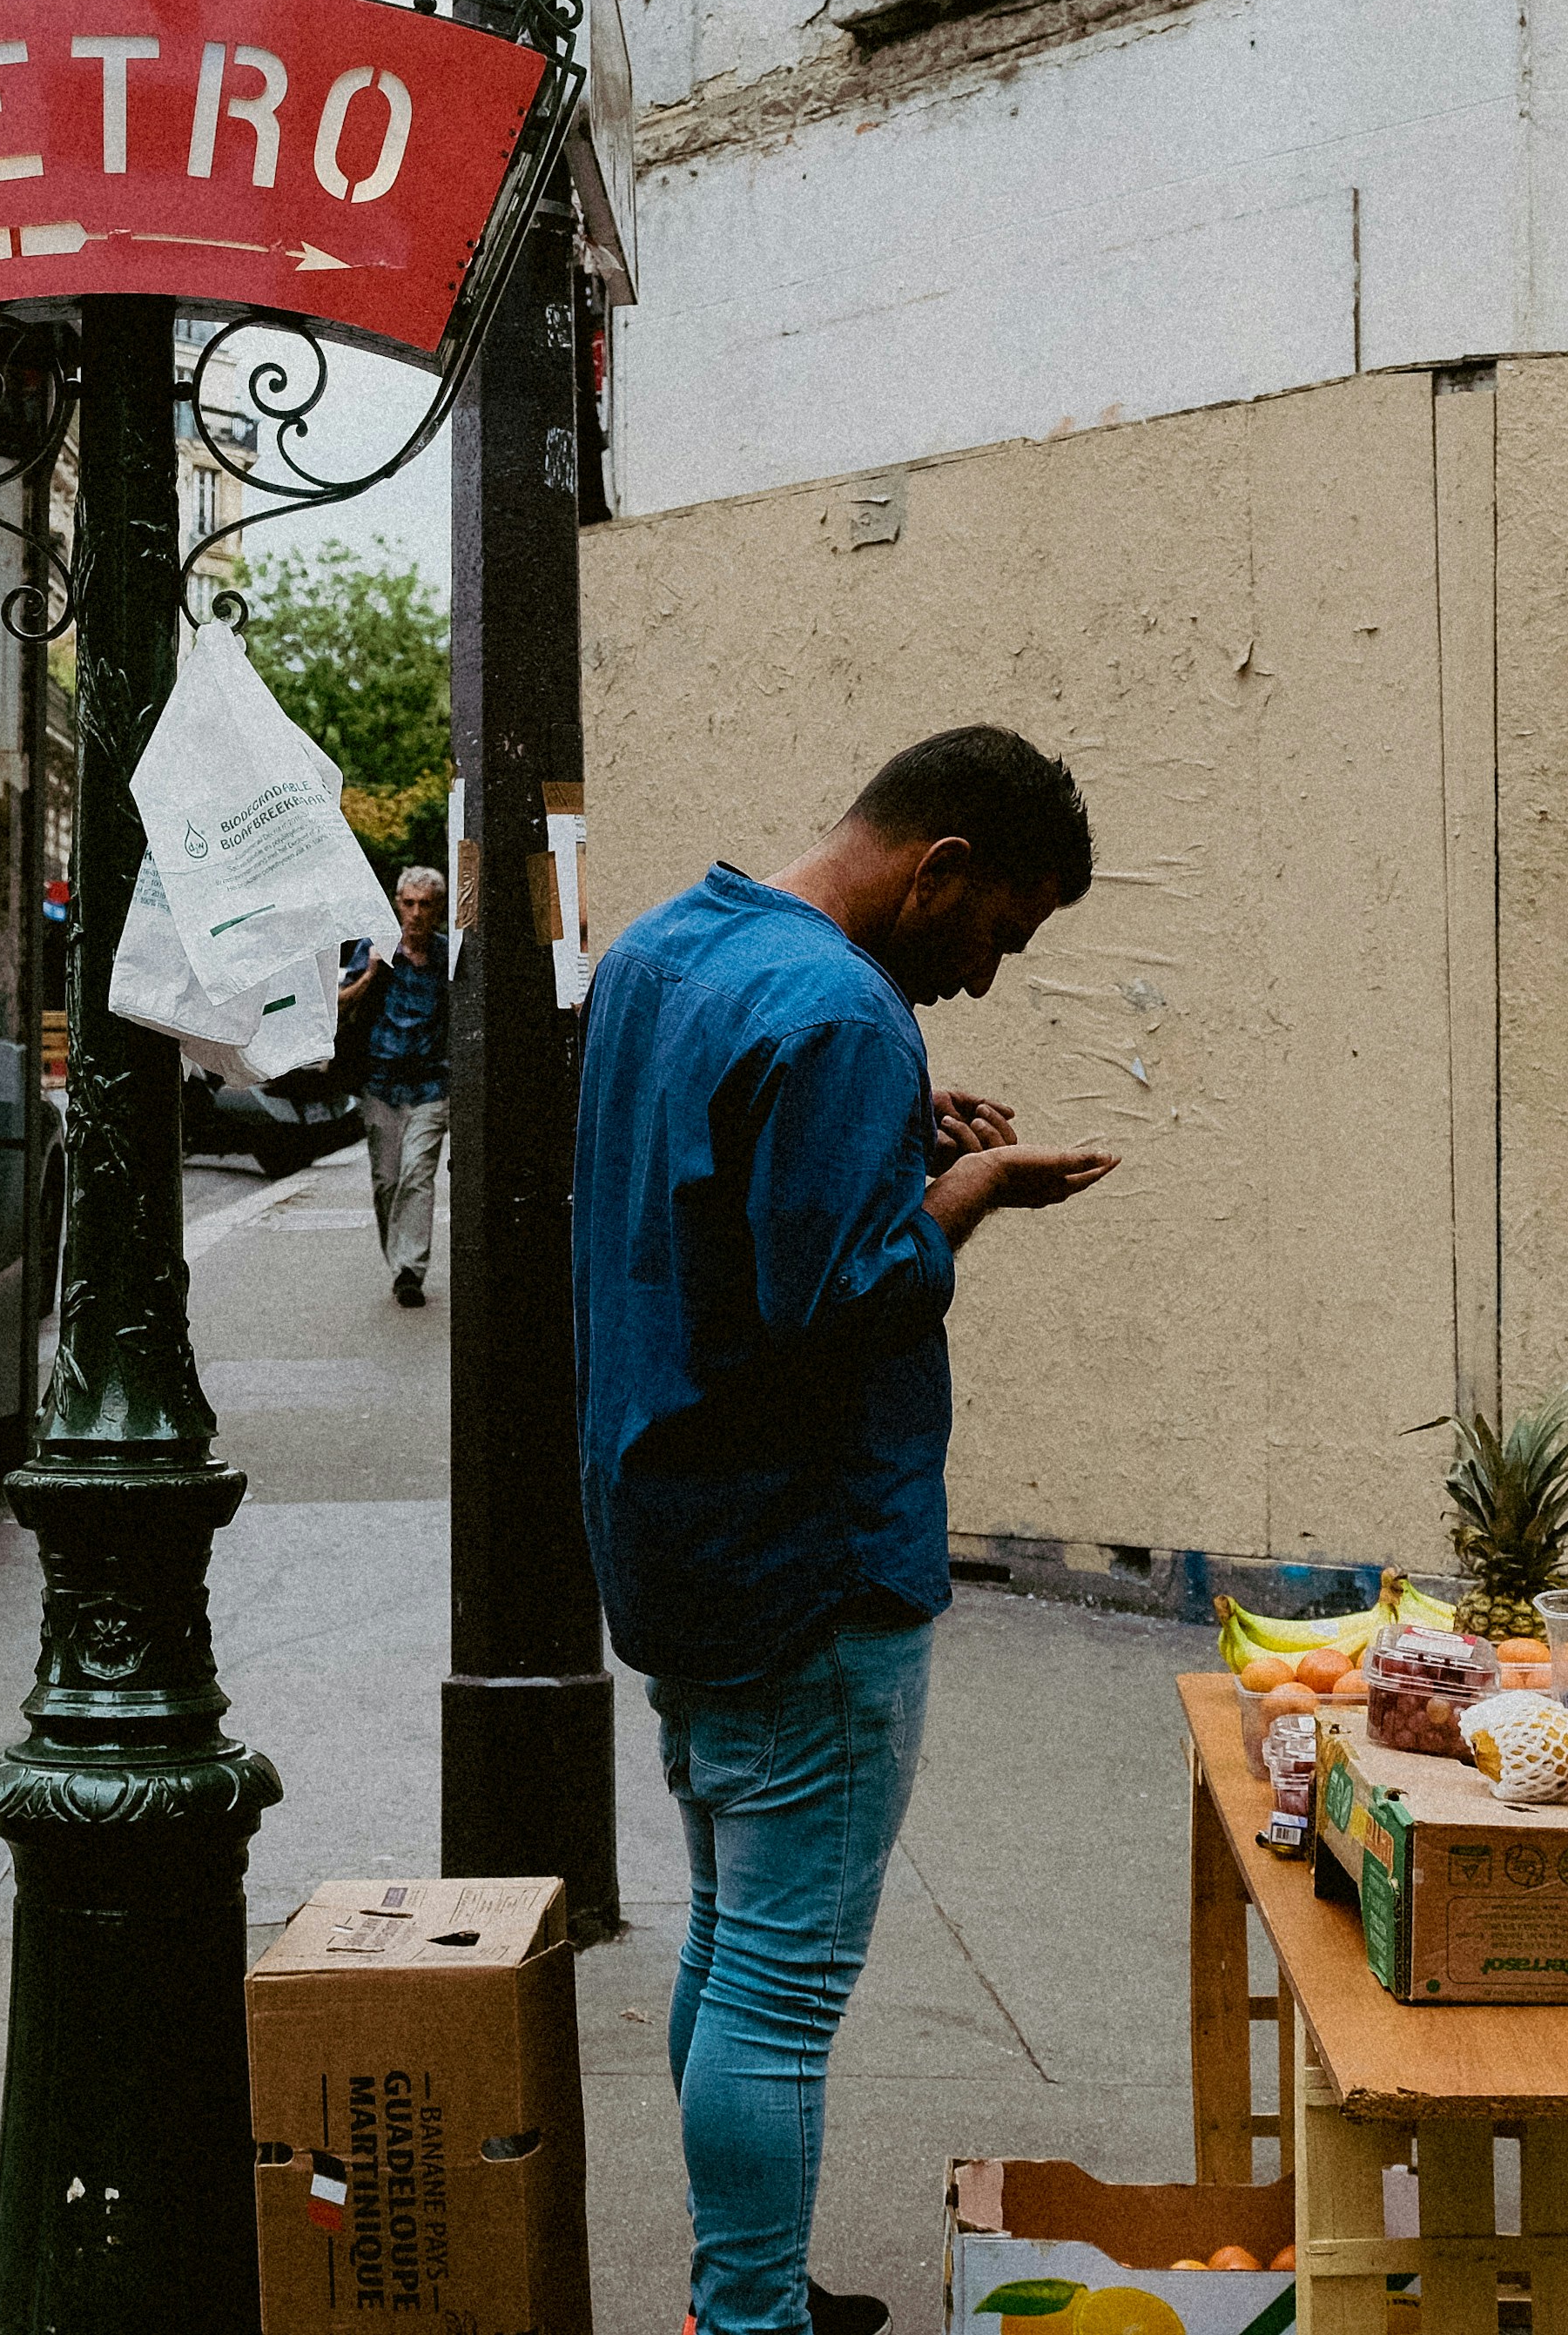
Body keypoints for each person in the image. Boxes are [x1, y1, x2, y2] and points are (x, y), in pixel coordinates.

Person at [575, 726, 1120, 2335]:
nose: (987, 976)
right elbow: (842, 1298)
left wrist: (888, 1139)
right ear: (941, 868)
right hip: (803, 1555)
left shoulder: (671, 947)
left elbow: (710, 1179)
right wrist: (966, 1196)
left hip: (671, 1527)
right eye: (998, 932)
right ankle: (746, 2322)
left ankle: (738, 2294)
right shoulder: (838, 1011)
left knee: (731, 1933)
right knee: (784, 1979)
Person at [338, 862, 451, 1308]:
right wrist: (369, 974)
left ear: (439, 909)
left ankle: (410, 1270)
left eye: (426, 904)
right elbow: (340, 1003)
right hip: (380, 1084)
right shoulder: (377, 948)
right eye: (409, 903)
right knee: (387, 1181)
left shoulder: (449, 955)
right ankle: (398, 1258)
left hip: (430, 1086)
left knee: (417, 1175)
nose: (416, 913)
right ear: (397, 904)